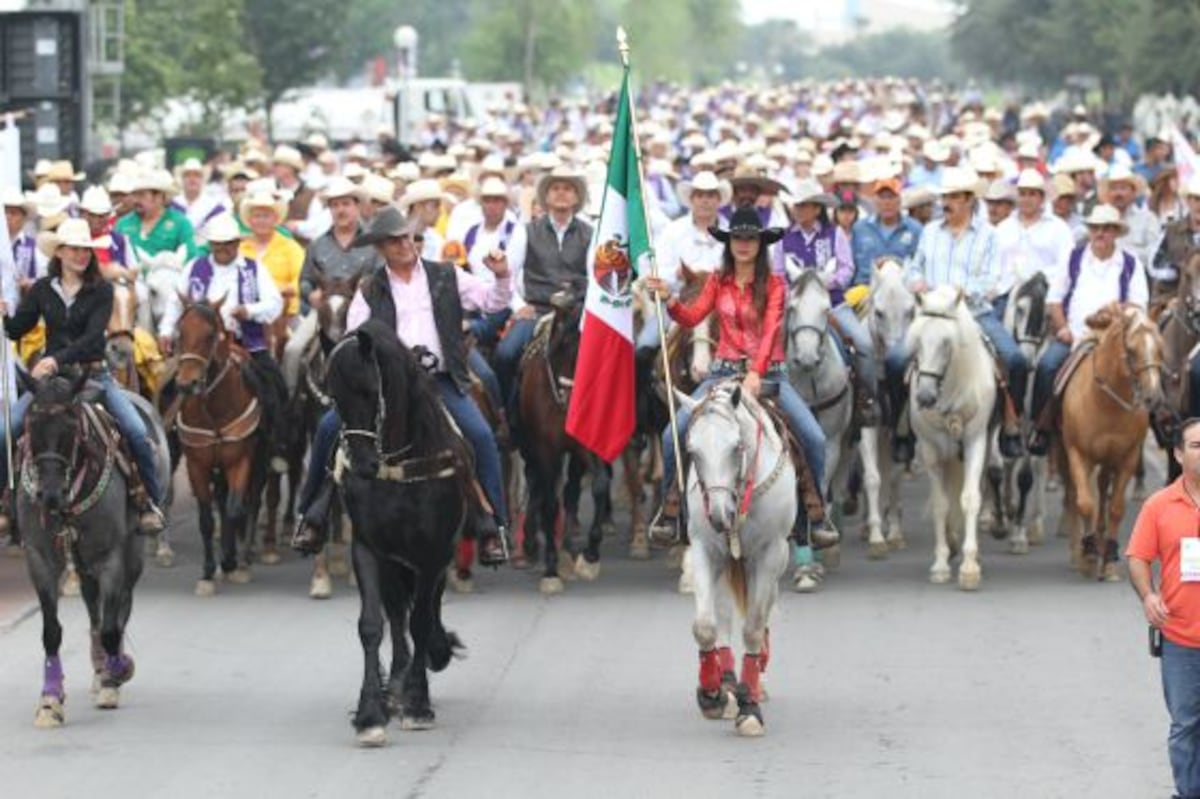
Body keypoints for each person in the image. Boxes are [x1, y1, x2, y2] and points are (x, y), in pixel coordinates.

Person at [290, 206, 513, 566]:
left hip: (440, 379)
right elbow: (355, 340)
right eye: (394, 241)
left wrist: (502, 276)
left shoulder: (447, 275)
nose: (404, 245)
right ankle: (310, 516)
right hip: (388, 389)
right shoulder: (369, 289)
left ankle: (494, 527)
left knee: (482, 436)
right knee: (329, 428)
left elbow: (492, 302)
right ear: (380, 248)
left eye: (406, 237)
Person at [645, 206, 837, 550]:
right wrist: (670, 300)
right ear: (729, 242)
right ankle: (671, 512)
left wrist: (755, 372)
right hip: (721, 373)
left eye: (750, 239)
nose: (744, 244)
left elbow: (770, 332)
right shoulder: (718, 281)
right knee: (672, 433)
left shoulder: (776, 284)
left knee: (815, 438)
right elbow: (691, 317)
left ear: (761, 244)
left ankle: (815, 514)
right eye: (738, 238)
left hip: (771, 376)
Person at [0, 219, 165, 532]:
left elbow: (92, 339)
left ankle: (149, 504)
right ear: (60, 252)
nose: (82, 255)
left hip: (93, 377)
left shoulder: (102, 290)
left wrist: (52, 359)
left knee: (136, 432)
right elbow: (16, 329)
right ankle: (5, 505)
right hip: (51, 384)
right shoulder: (41, 289)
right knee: (4, 432)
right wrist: (5, 315)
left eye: (86, 250)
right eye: (75, 249)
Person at [893, 166, 1026, 461]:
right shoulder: (930, 232)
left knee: (1015, 359)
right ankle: (901, 426)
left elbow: (991, 278)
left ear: (969, 200)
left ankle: (1010, 423)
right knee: (894, 360)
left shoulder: (989, 235)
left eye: (953, 196)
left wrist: (960, 292)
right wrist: (914, 281)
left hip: (973, 313)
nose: (947, 203)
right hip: (931, 314)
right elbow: (915, 266)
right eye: (945, 197)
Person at [158, 213, 289, 469]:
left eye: (228, 243)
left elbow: (275, 303)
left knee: (275, 386)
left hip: (244, 342)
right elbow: (176, 303)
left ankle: (277, 444)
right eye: (218, 243)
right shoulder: (195, 268)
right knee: (167, 388)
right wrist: (165, 329)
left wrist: (248, 311)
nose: (223, 248)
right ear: (210, 245)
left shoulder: (253, 269)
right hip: (200, 347)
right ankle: (169, 449)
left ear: (237, 243)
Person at [1028, 205, 1148, 454]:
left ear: (1116, 232)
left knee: (1148, 372)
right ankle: (1041, 427)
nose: (1100, 233)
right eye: (1096, 228)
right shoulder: (1073, 258)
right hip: (1075, 337)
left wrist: (1118, 311)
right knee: (1047, 366)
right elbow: (1054, 300)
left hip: (1116, 341)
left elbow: (1139, 305)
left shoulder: (1130, 263)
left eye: (1107, 228)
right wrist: (1061, 329)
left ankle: (1155, 425)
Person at [1127, 417, 1200, 799]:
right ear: (1177, 453)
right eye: (1196, 446)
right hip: (1181, 638)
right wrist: (1149, 595)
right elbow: (1138, 557)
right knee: (1186, 723)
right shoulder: (1159, 505)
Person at [493, 166, 593, 413]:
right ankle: (508, 414)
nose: (561, 194)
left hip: (576, 313)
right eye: (555, 188)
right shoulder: (526, 231)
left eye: (568, 189)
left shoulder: (591, 232)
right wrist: (519, 306)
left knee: (608, 357)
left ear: (577, 197)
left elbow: (594, 276)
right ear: (545, 197)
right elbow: (509, 274)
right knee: (505, 354)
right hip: (537, 310)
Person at [283, 177, 380, 394]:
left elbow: (382, 278)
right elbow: (305, 280)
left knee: (385, 352)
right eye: (335, 205)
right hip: (324, 310)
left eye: (346, 204)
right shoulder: (318, 244)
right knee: (293, 349)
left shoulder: (373, 244)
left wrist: (368, 288)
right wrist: (311, 295)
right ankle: (290, 404)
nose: (340, 210)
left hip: (364, 313)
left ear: (357, 206)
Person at [993, 169, 1075, 302]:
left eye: (1032, 194)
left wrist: (1041, 278)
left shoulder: (1058, 228)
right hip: (1004, 293)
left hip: (1043, 295)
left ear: (1041, 198)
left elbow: (1065, 265)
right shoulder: (1003, 228)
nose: (1027, 199)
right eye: (1023, 194)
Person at [114, 168, 199, 263]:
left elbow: (191, 257)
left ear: (158, 197)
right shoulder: (123, 224)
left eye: (141, 195)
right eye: (134, 195)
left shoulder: (180, 223)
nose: (136, 200)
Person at [851, 177, 923, 287]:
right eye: (882, 197)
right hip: (866, 288)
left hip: (903, 289)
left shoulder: (914, 229)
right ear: (875, 200)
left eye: (891, 197)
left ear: (899, 200)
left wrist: (896, 263)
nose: (887, 202)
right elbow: (852, 265)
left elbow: (919, 264)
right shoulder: (860, 228)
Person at [1150, 175, 1200, 308]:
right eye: (1197, 199)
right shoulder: (1171, 230)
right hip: (1173, 296)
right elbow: (1154, 265)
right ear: (1189, 201)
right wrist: (1175, 270)